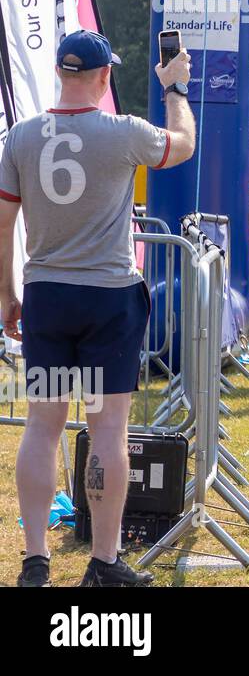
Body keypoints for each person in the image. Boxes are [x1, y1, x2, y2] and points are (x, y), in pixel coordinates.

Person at [2, 30, 195, 587]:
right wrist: (174, 89)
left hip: (47, 292)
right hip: (109, 293)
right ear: (105, 76)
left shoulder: (19, 138)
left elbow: (3, 223)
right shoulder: (123, 131)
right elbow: (182, 145)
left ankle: (35, 561)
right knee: (108, 431)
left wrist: (7, 294)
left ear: (62, 74)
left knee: (42, 426)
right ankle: (104, 562)